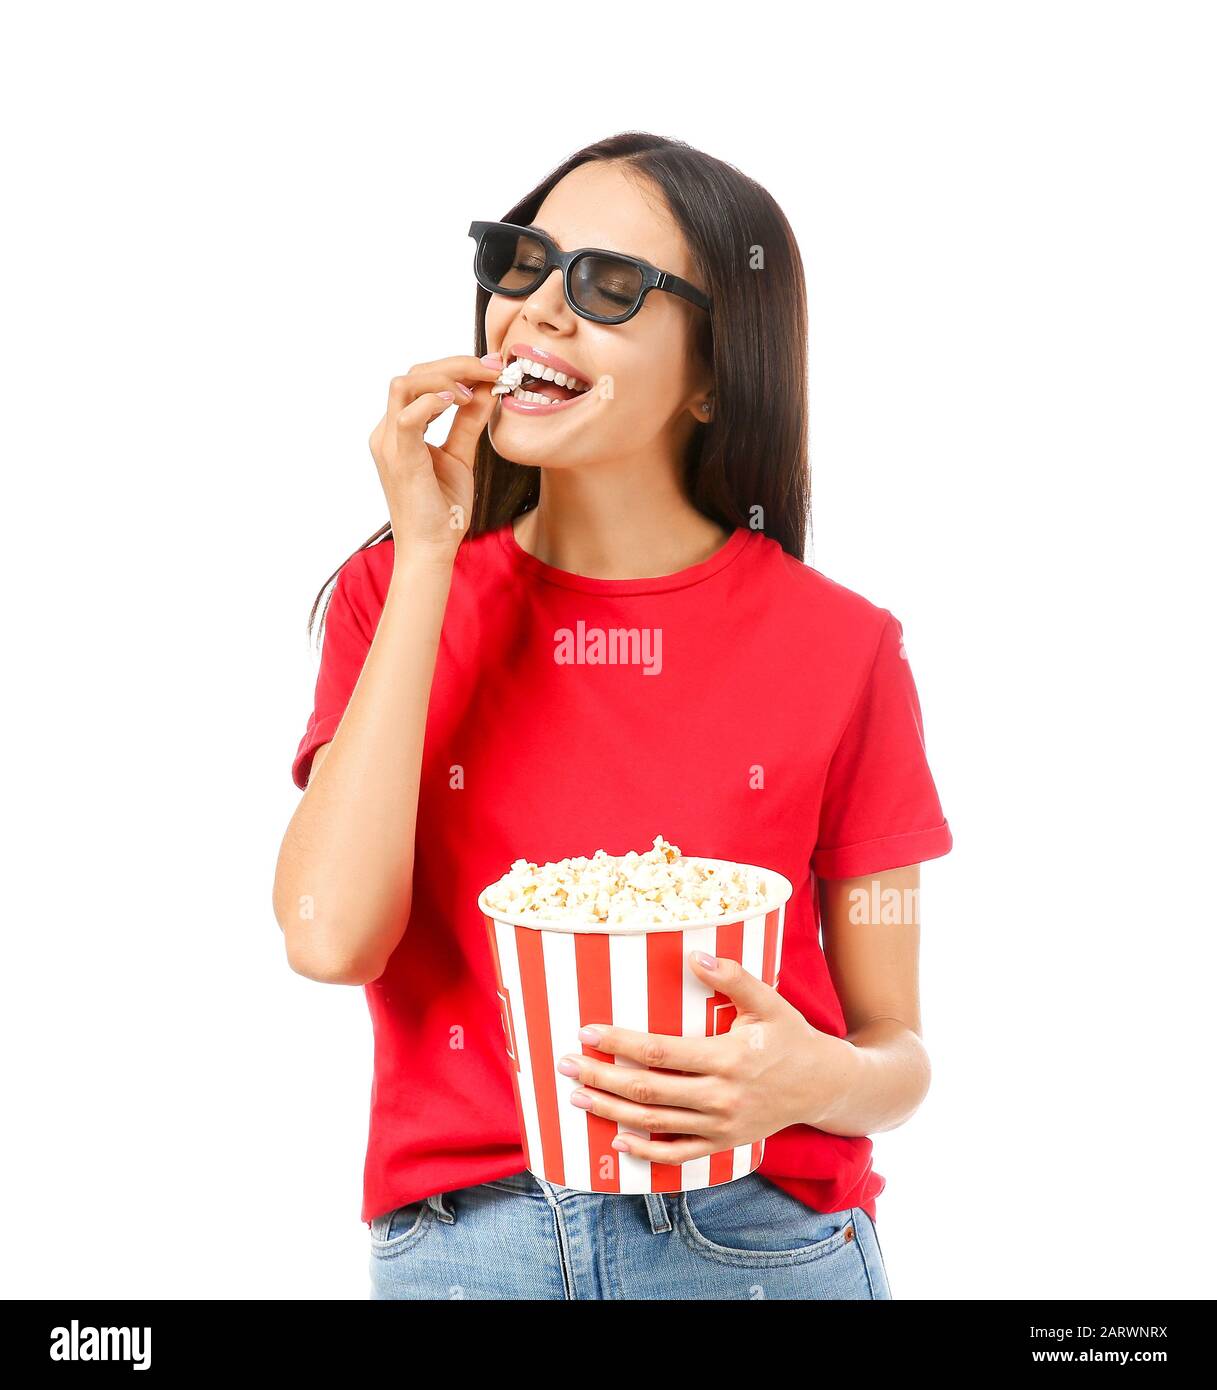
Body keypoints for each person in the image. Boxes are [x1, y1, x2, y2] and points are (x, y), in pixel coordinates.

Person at [272, 131, 952, 1300]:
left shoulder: (844, 648)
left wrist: (811, 1080)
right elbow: (330, 938)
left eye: (608, 285)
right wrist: (430, 551)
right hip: (462, 1250)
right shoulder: (393, 598)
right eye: (524, 263)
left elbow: (897, 1052)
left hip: (753, 1240)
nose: (538, 309)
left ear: (709, 376)